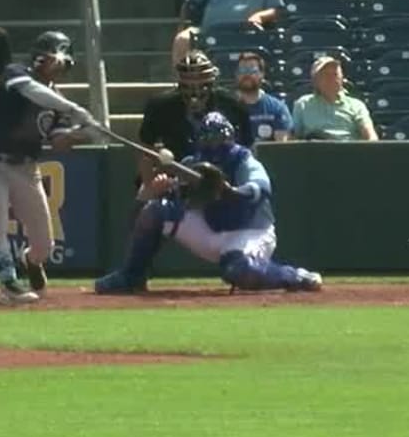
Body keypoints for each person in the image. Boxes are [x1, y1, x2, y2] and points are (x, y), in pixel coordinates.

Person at [95, 111, 323, 295]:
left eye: (219, 141)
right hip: (210, 229)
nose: (214, 147)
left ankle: (293, 276)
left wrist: (229, 191)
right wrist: (153, 188)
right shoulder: (192, 164)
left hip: (250, 230)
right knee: (156, 211)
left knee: (239, 271)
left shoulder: (243, 160)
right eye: (208, 141)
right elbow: (142, 216)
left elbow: (260, 188)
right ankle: (131, 276)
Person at [0, 32, 96, 304]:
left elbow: (58, 142)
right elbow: (32, 91)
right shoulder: (15, 73)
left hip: (26, 170)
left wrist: (82, 132)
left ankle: (30, 260)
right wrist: (75, 108)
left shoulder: (57, 101)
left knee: (45, 244)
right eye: (54, 59)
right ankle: (8, 281)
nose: (58, 66)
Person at [139, 53, 254, 185]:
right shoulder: (160, 107)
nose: (194, 95)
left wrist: (246, 184)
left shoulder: (233, 105)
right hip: (177, 181)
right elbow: (146, 151)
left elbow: (248, 149)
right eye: (187, 87)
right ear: (179, 84)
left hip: (225, 181)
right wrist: (148, 186)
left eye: (202, 86)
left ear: (212, 83)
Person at [290, 55, 376, 140]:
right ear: (315, 81)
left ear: (342, 78)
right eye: (326, 75)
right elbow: (294, 138)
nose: (331, 79)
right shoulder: (303, 104)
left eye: (335, 74)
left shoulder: (356, 105)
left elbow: (370, 136)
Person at [233, 51, 291, 141]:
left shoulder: (277, 108)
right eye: (242, 70)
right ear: (236, 75)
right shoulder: (227, 107)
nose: (247, 75)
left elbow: (281, 145)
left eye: (252, 71)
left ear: (262, 74)